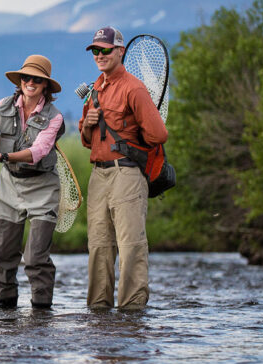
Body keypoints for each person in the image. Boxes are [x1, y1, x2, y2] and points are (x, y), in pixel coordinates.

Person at [0, 54, 65, 310]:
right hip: (9, 185)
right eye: (26, 77)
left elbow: (38, 151)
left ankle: (41, 316)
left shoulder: (55, 117)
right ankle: (5, 313)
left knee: (35, 258)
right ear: (20, 81)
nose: (30, 82)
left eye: (37, 80)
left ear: (45, 85)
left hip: (43, 187)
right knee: (2, 254)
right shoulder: (3, 106)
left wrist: (2, 156)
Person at [77, 26, 168, 309]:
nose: (99, 55)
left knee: (131, 246)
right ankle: (98, 311)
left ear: (120, 51)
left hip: (126, 173)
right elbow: (86, 140)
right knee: (98, 247)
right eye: (95, 50)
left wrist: (132, 140)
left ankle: (131, 311)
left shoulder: (134, 88)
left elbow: (158, 135)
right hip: (98, 175)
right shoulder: (94, 89)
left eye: (105, 50)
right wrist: (87, 125)